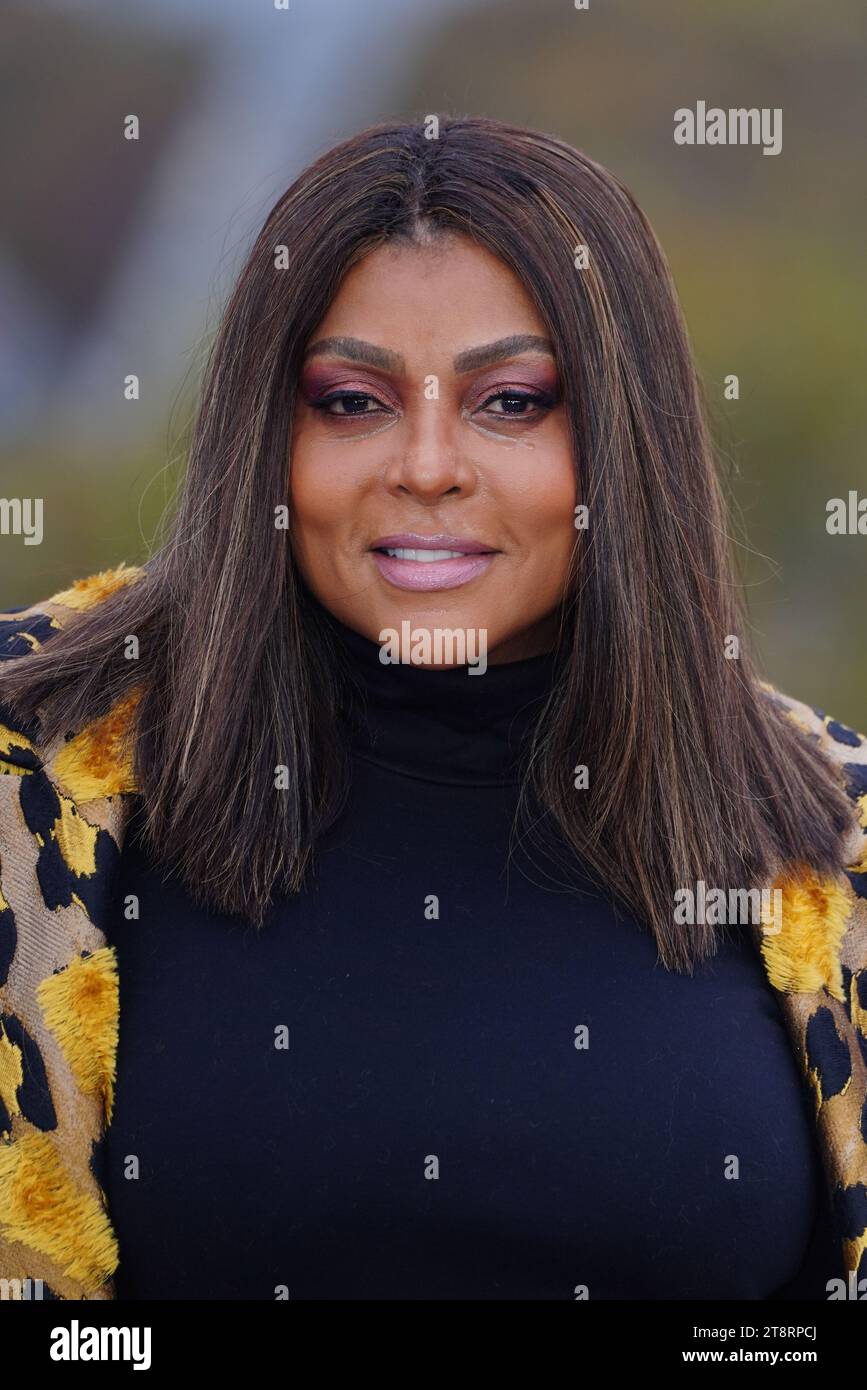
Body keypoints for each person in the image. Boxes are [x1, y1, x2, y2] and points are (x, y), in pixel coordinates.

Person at [0, 115, 865, 1302]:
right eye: (351, 401)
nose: (425, 464)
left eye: (509, 401)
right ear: (267, 436)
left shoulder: (832, 835)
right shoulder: (27, 780)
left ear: (625, 441)